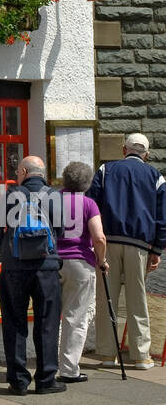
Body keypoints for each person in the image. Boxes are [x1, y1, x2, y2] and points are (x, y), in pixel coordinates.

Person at [88, 133, 166, 369]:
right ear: (147, 154)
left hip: (108, 241)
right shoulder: (156, 176)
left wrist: (93, 240)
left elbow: (92, 204)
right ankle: (141, 355)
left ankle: (106, 354)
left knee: (105, 298)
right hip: (140, 245)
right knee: (137, 299)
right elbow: (162, 217)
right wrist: (158, 249)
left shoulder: (105, 170)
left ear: (124, 150)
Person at [0, 154, 64, 395]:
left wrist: (8, 252)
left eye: (17, 173)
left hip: (14, 269)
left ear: (23, 173)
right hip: (47, 268)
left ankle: (18, 381)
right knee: (47, 322)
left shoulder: (9, 196)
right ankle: (46, 379)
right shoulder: (55, 196)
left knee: (14, 322)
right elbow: (61, 232)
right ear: (41, 174)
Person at [55, 162, 107, 383]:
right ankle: (68, 369)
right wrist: (102, 260)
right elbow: (99, 237)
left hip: (51, 262)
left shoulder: (52, 200)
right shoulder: (88, 204)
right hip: (79, 263)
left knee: (47, 318)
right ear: (86, 183)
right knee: (75, 318)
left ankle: (46, 367)